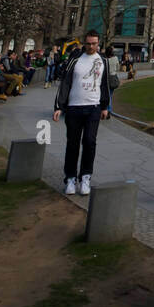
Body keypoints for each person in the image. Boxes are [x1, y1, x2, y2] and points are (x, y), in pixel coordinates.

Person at [53, 30, 110, 196]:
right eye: (88, 43)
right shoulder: (75, 59)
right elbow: (65, 82)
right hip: (74, 107)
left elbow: (105, 85)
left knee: (90, 142)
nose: (91, 46)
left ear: (98, 44)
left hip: (93, 107)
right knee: (72, 144)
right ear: (84, 43)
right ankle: (70, 178)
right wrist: (59, 106)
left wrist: (105, 106)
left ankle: (86, 176)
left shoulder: (103, 61)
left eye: (94, 43)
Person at [105, 45, 121, 119]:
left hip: (107, 78)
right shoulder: (116, 58)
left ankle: (107, 110)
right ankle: (108, 110)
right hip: (113, 78)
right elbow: (118, 68)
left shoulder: (105, 59)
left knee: (107, 95)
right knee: (110, 95)